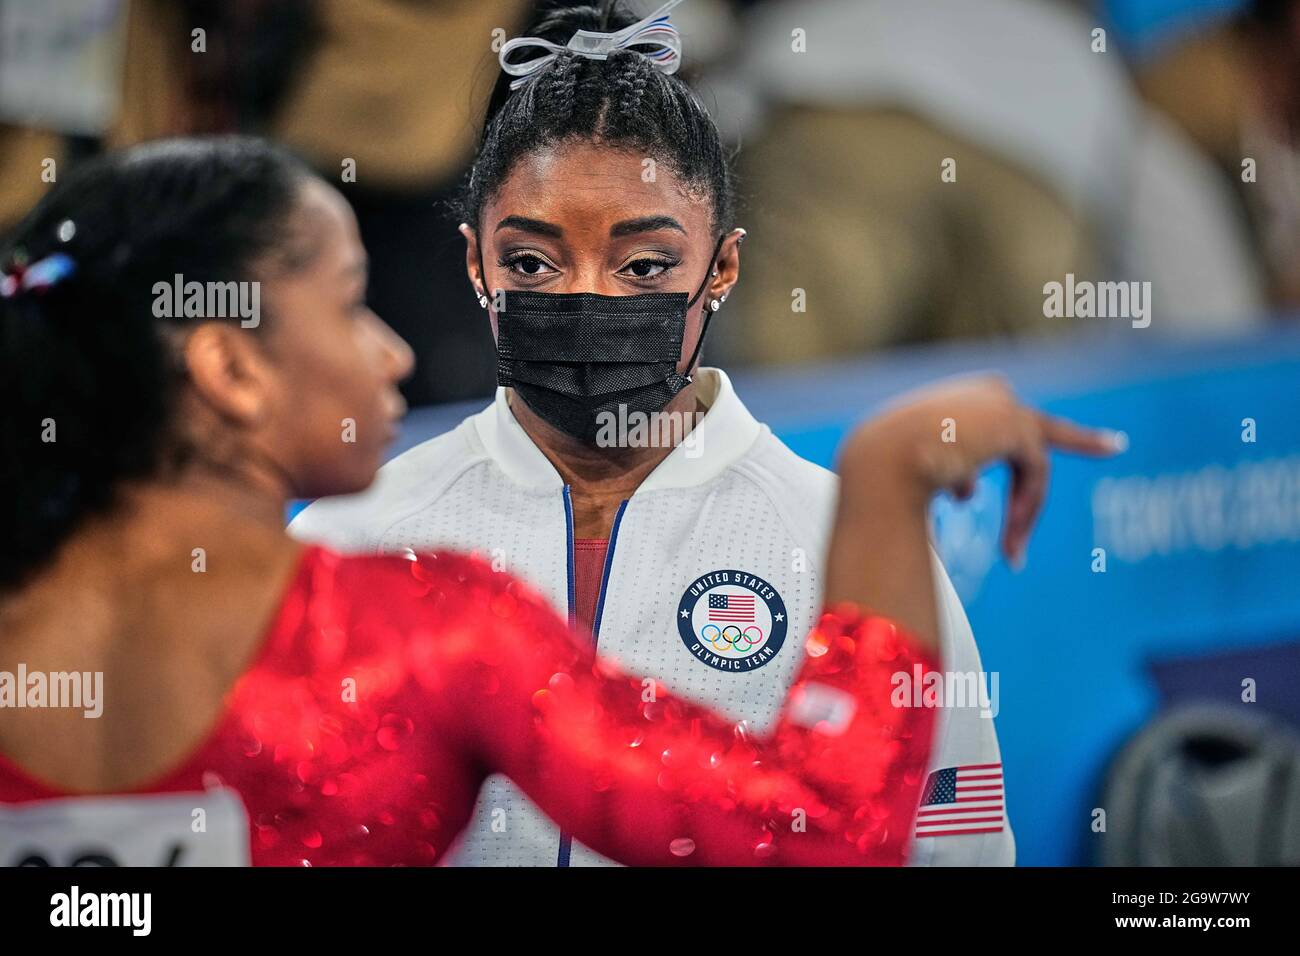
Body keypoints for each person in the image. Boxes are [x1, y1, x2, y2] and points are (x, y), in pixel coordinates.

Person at [0, 136, 1117, 866]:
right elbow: (815, 828)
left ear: (717, 266)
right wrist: (886, 475)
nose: (393, 353)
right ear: (230, 368)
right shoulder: (422, 631)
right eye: (348, 307)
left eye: (639, 264)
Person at [292, 0, 1022, 865]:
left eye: (644, 265)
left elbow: (947, 852)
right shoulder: (354, 542)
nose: (587, 298)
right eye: (533, 262)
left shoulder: (842, 545)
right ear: (474, 264)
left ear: (723, 269)